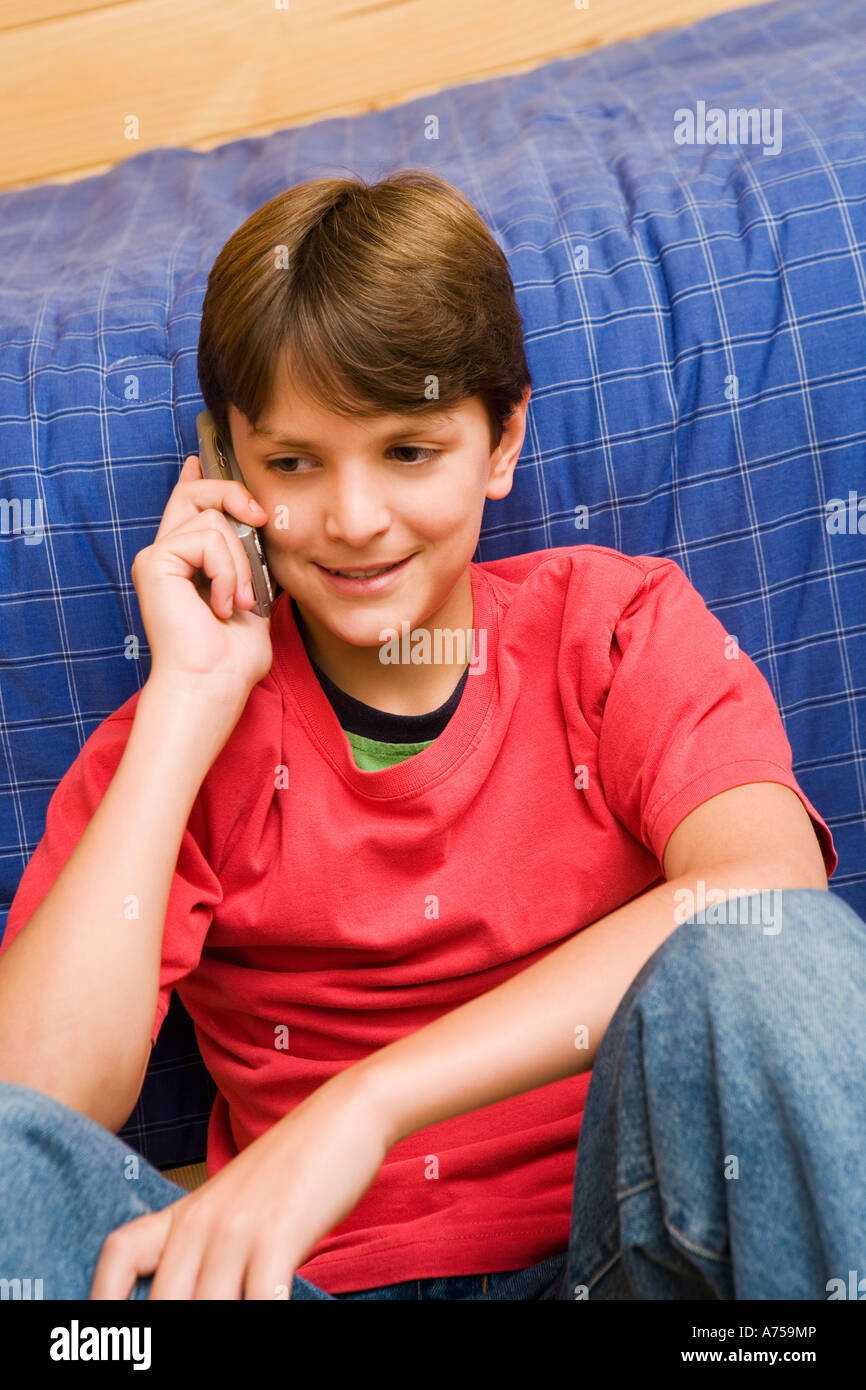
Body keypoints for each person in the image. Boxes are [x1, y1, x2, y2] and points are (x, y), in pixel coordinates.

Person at [0, 170, 858, 1302]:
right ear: (222, 471)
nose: (354, 520)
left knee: (775, 953)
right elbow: (34, 1108)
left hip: (634, 1266)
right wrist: (186, 707)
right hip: (308, 1287)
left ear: (501, 442)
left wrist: (367, 1104)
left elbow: (763, 894)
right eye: (294, 464)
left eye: (407, 452)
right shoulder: (178, 738)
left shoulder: (609, 628)